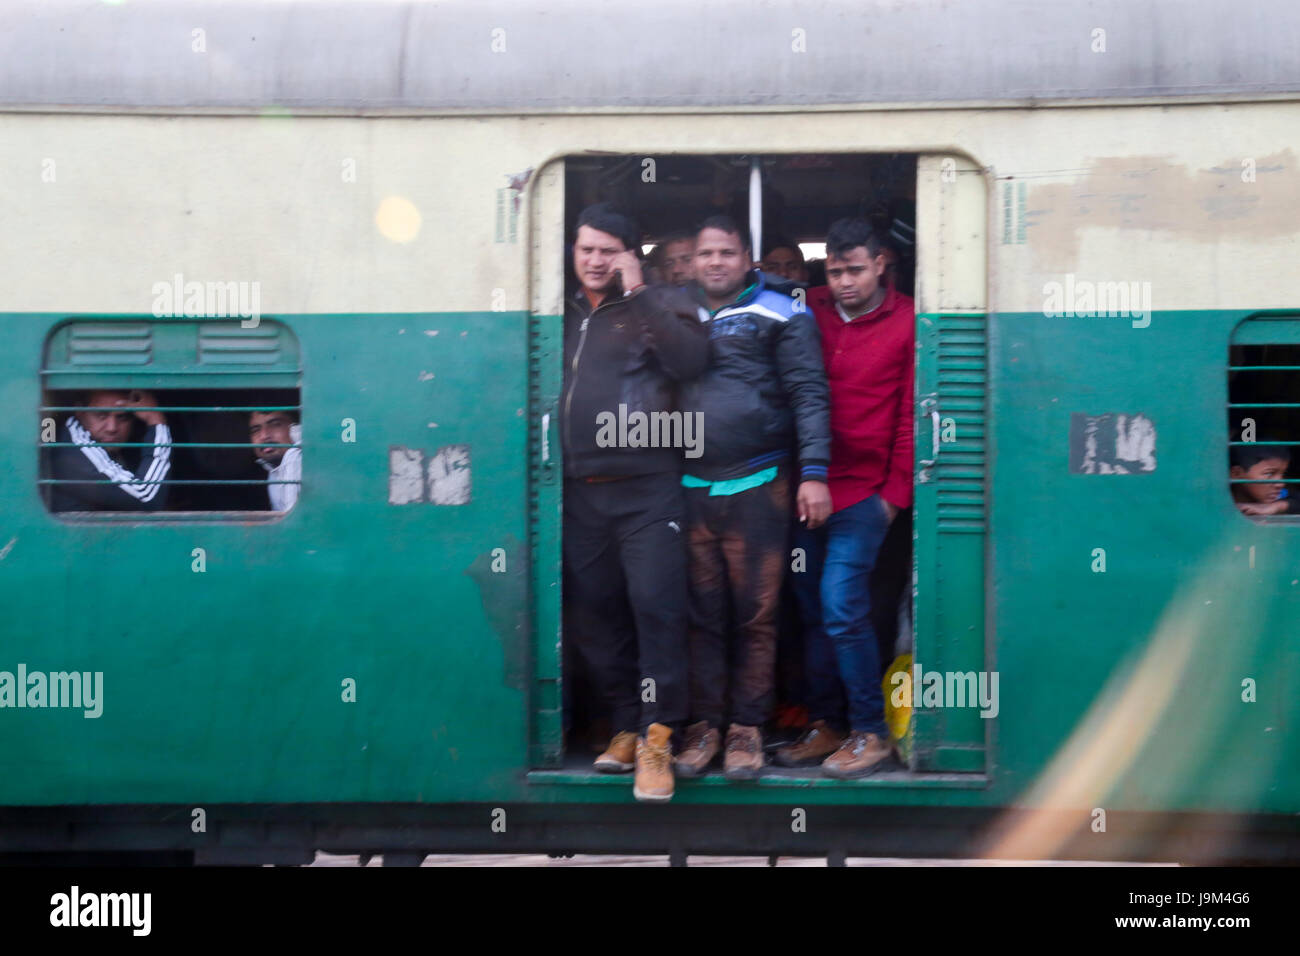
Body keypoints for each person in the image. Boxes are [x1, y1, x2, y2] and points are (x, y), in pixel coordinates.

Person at [673, 215, 831, 780]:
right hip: (689, 488)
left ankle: (746, 729)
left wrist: (814, 472)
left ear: (747, 259)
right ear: (692, 261)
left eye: (726, 252)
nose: (715, 262)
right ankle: (704, 727)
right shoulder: (674, 309)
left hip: (760, 483)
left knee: (756, 616)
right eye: (705, 253)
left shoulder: (783, 309)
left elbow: (809, 392)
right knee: (701, 615)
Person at [561, 202, 710, 802]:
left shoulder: (663, 301)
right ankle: (624, 724)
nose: (594, 261)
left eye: (606, 250)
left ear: (627, 252)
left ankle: (657, 737)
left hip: (648, 488)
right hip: (579, 492)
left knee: (657, 610)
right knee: (596, 616)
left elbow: (692, 361)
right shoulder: (563, 312)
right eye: (585, 250)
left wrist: (640, 289)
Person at [775, 218, 914, 778]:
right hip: (807, 493)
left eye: (855, 269)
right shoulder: (808, 307)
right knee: (811, 613)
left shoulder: (908, 321)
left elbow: (909, 416)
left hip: (864, 497)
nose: (844, 282)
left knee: (840, 607)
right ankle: (828, 723)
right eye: (833, 271)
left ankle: (870, 732)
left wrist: (892, 497)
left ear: (881, 263)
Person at [47, 389, 172, 512]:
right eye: (101, 415)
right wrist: (155, 419)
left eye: (122, 417)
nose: (112, 428)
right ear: (80, 412)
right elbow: (146, 497)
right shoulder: (72, 450)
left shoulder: (85, 438)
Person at [249, 409, 302, 511]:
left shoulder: (297, 459)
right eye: (256, 430)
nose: (264, 436)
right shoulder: (272, 470)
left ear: (295, 428)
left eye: (275, 424)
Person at [1231, 444, 1297, 515]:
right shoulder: (1219, 501)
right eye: (1269, 474)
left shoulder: (1281, 495)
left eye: (1283, 474)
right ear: (1237, 473)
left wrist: (1276, 506)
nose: (1281, 484)